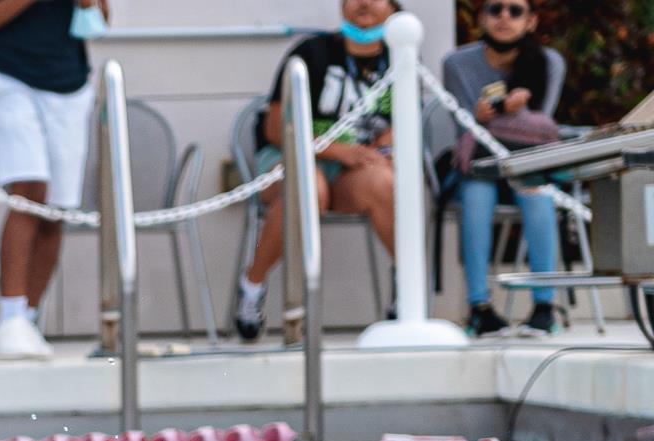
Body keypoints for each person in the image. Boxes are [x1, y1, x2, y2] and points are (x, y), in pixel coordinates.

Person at [234, 0, 402, 342]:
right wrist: (336, 149)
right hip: (293, 157)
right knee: (308, 186)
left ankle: (407, 287)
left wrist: (382, 151)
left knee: (385, 182)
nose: (365, 3)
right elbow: (275, 127)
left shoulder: (400, 58)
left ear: (394, 8)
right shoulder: (312, 52)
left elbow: (401, 126)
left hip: (354, 170)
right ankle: (251, 287)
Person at [0, 0, 107, 361]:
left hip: (68, 84)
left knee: (56, 209)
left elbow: (99, 18)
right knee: (29, 191)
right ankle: (10, 316)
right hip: (8, 77)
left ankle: (27, 319)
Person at [442, 0, 565, 337]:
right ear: (482, 18)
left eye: (515, 10)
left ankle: (544, 306)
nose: (504, 18)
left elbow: (542, 127)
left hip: (528, 160)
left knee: (537, 195)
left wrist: (506, 113)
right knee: (477, 196)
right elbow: (463, 126)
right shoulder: (457, 63)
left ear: (531, 21)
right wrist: (483, 116)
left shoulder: (548, 62)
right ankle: (478, 307)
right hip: (478, 161)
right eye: (496, 9)